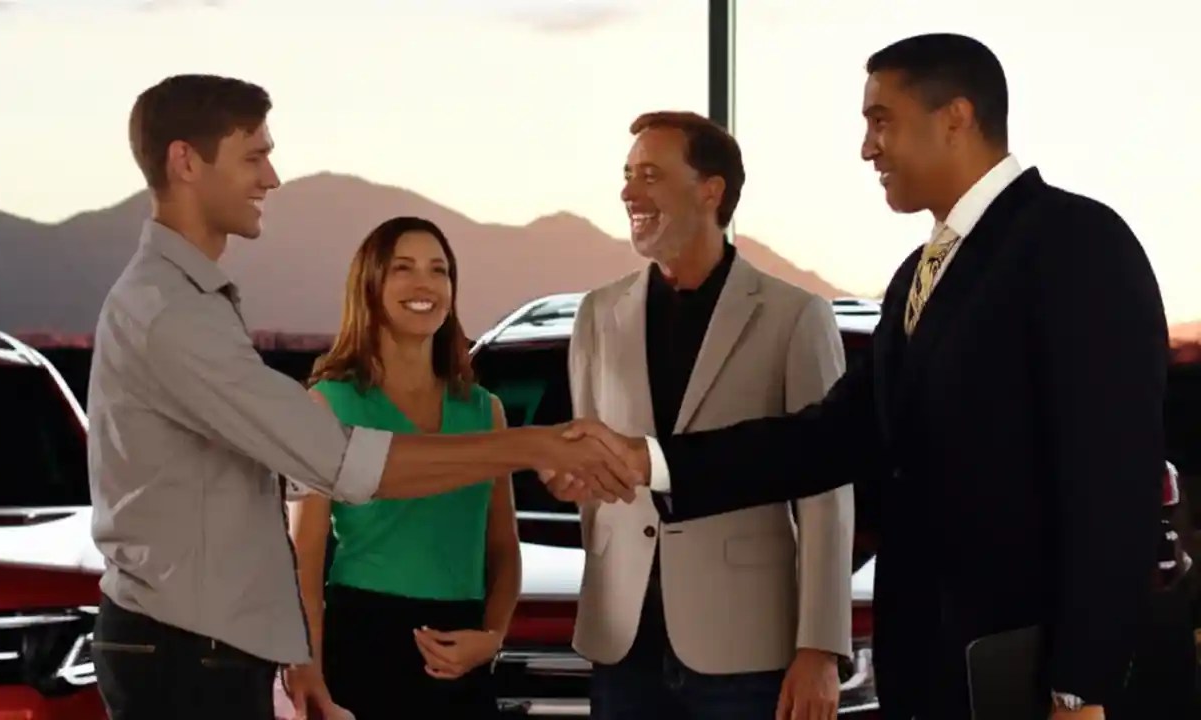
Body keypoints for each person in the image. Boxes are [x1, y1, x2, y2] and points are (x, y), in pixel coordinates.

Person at [558, 33, 1170, 720]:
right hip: (932, 674)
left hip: (1027, 677)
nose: (867, 148)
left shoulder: (1076, 243)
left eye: (881, 121)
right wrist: (649, 461)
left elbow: (1112, 482)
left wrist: (1080, 687)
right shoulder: (917, 276)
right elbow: (830, 439)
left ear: (955, 118)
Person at [86, 74, 639, 720]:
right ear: (186, 161)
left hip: (201, 648)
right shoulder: (172, 314)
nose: (271, 178)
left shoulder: (187, 303)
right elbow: (340, 463)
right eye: (253, 157)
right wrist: (535, 445)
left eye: (438, 270)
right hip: (186, 652)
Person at [567, 110, 853, 720]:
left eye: (650, 175)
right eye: (627, 175)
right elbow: (588, 469)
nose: (629, 193)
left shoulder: (796, 316)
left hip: (747, 646)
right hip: (622, 640)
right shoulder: (596, 315)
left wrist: (820, 647)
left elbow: (827, 490)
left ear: (710, 190)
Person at [282, 216, 520, 719]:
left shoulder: (486, 411)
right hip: (362, 646)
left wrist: (492, 637)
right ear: (370, 284)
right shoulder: (326, 405)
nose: (424, 284)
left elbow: (502, 547)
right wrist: (306, 666)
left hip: (463, 657)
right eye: (403, 268)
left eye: (439, 270)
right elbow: (304, 558)